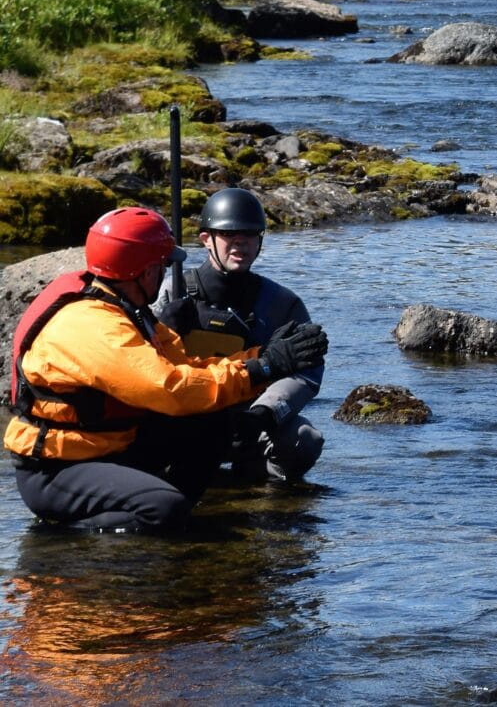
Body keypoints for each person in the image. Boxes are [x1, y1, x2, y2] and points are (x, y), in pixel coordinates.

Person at [7, 207, 327, 532]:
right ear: (145, 272)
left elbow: (188, 370)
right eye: (161, 264)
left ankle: (163, 512)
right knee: (162, 508)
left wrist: (262, 357)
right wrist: (264, 368)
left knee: (210, 421)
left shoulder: (121, 303)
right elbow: (172, 390)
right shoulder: (95, 325)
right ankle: (75, 531)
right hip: (56, 467)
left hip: (107, 445)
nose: (164, 270)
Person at [155, 187, 325, 484]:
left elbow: (307, 373)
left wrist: (264, 414)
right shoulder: (168, 292)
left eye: (249, 234)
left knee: (304, 439)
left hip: (246, 420)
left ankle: (251, 488)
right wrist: (160, 329)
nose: (240, 243)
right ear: (206, 240)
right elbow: (132, 362)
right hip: (179, 416)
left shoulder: (283, 304)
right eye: (229, 234)